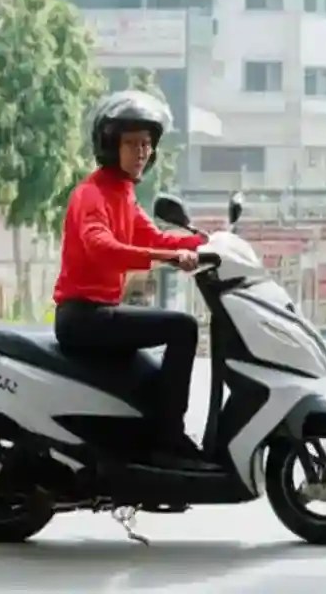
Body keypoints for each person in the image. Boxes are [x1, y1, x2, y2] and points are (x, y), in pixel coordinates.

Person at [51, 90, 211, 470]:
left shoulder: (123, 194)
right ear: (110, 145)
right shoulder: (91, 194)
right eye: (132, 143)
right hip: (84, 317)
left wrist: (210, 242)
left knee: (154, 379)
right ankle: (168, 441)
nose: (142, 152)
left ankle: (140, 447)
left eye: (147, 144)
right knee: (183, 327)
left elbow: (155, 238)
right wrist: (170, 257)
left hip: (100, 315)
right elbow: (102, 247)